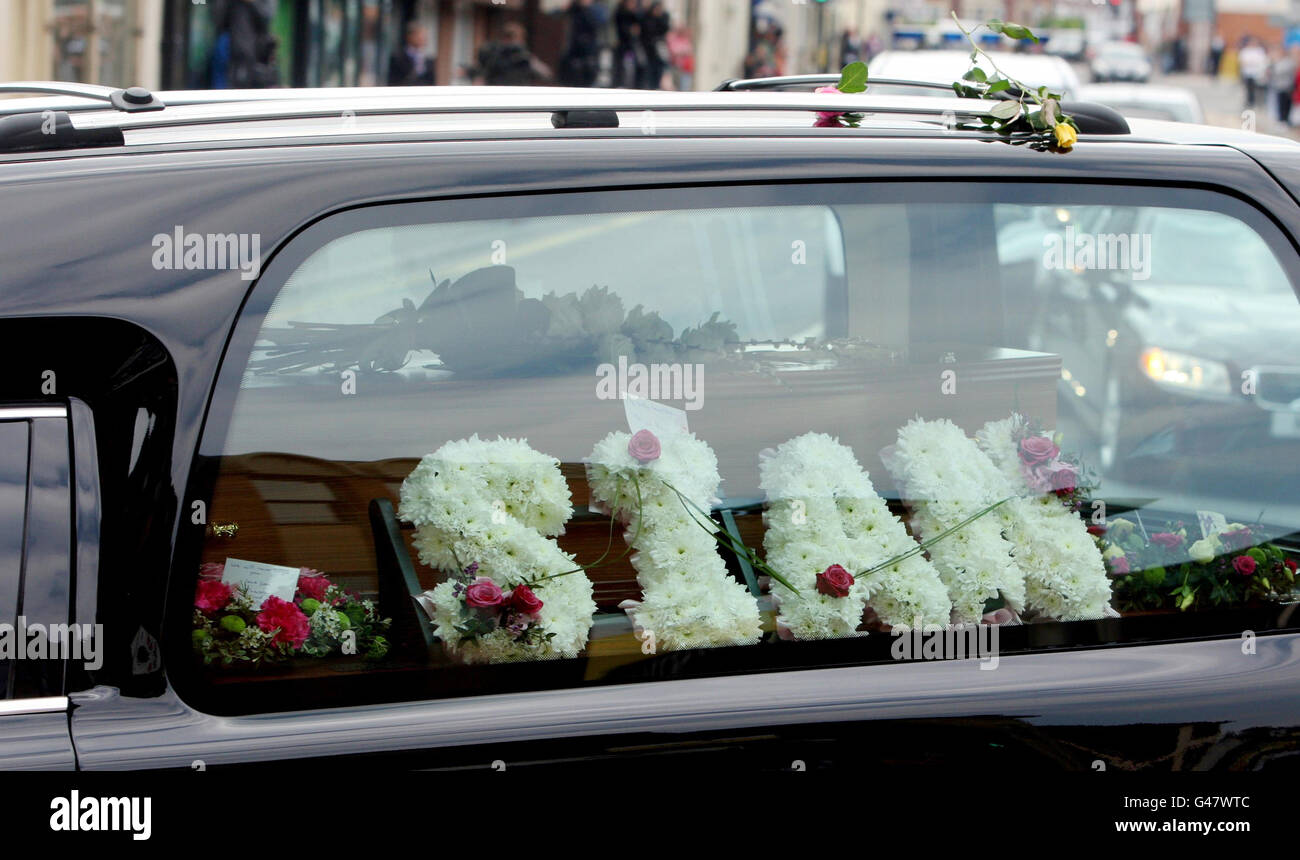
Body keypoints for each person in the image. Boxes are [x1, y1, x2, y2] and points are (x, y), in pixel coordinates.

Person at [216, 0, 278, 88]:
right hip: (232, 52)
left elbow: (267, 17)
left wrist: (252, 2)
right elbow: (219, 19)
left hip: (257, 55)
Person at [472, 22, 551, 86]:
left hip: (515, 94)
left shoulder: (522, 56)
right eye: (520, 38)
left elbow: (545, 74)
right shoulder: (493, 54)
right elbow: (481, 74)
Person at [559, 0, 601, 87]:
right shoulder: (575, 9)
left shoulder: (595, 9)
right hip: (575, 48)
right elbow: (558, 14)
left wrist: (588, 8)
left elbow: (600, 21)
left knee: (588, 72)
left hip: (589, 49)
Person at [614, 0, 645, 88]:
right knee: (626, 69)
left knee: (635, 67)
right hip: (624, 47)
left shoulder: (635, 15)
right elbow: (624, 30)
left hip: (632, 47)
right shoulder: (621, 14)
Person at [640, 1, 670, 89]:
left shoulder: (663, 17)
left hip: (659, 48)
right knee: (649, 70)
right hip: (648, 49)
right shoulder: (647, 17)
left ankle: (656, 85)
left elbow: (665, 29)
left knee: (659, 69)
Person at [1240, 37, 1268, 108]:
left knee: (1258, 89)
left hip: (1257, 73)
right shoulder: (1245, 51)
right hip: (1248, 73)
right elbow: (1243, 62)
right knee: (1249, 88)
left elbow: (1263, 61)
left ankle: (1258, 102)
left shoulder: (1259, 51)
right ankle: (1249, 102)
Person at [1271, 44, 1296, 124]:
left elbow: (1279, 71)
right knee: (1280, 104)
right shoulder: (1279, 61)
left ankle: (1285, 119)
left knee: (1286, 104)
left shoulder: (1288, 62)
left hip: (1287, 86)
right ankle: (1281, 119)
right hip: (1279, 86)